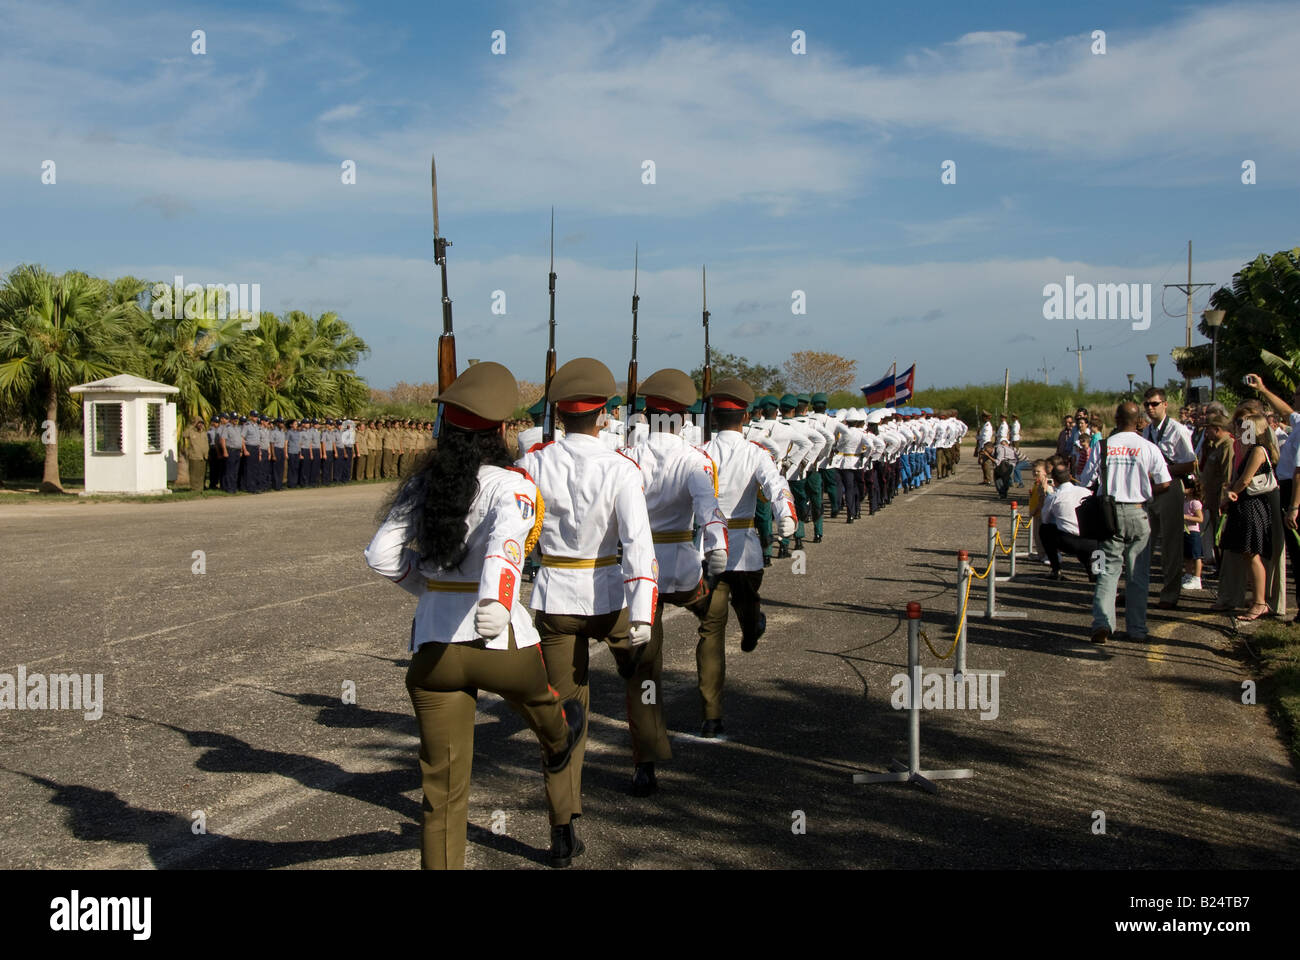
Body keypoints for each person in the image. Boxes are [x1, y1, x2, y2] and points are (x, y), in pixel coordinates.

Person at [365, 361, 583, 870]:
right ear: (502, 432)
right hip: (500, 644)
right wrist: (492, 604)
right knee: (550, 714)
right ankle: (557, 738)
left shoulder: (424, 486)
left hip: (435, 650)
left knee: (441, 790)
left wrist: (431, 589)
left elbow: (380, 555)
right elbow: (506, 548)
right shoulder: (511, 484)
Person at [516, 357, 657, 866]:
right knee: (643, 673)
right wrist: (641, 615)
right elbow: (639, 546)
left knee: (564, 713)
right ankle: (646, 761)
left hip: (554, 597)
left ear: (559, 414)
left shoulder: (533, 462)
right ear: (604, 414)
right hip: (609, 596)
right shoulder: (622, 467)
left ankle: (562, 826)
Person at [622, 368, 728, 796]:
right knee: (715, 614)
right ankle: (711, 711)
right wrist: (717, 549)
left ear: (645, 415)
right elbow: (708, 506)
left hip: (637, 571)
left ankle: (646, 760)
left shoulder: (628, 456)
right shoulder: (694, 459)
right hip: (683, 569)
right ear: (684, 419)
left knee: (646, 666)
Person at [693, 378, 797, 738]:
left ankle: (711, 714)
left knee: (711, 631)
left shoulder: (700, 452)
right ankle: (752, 630)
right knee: (744, 609)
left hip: (708, 550)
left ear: (713, 416)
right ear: (746, 416)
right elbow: (776, 484)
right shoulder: (756, 452)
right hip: (746, 550)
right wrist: (786, 515)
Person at [1082, 401, 1171, 644]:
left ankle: (1102, 623)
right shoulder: (1148, 447)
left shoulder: (1103, 445)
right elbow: (1165, 482)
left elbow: (1086, 480)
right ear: (1139, 421)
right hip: (1138, 511)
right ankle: (1137, 628)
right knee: (1138, 574)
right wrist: (1145, 489)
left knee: (1107, 571)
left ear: (1116, 420)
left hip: (1108, 514)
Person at [1243, 373, 1300, 621]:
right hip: (1288, 487)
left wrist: (1295, 506)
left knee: (1297, 552)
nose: (1293, 398)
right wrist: (1263, 389)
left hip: (1293, 492)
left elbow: (1299, 472)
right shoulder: (1298, 422)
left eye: (1297, 395)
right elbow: (1288, 412)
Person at [1140, 388, 1197, 609]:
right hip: (1151, 488)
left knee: (1171, 544)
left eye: (1154, 404)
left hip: (1171, 484)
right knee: (1144, 540)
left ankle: (1170, 592)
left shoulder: (1177, 429)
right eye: (1147, 405)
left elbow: (1192, 462)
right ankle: (1138, 588)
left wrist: (1166, 470)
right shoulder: (1147, 431)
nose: (1150, 408)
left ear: (1165, 404)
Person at [1219, 411, 1279, 621]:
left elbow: (1244, 480)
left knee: (1252, 554)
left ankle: (1260, 602)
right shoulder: (1248, 449)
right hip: (1245, 505)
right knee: (1247, 553)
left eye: (1246, 428)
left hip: (1253, 505)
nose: (1241, 430)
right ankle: (1256, 598)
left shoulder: (1258, 451)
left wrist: (1229, 494)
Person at [1040, 464, 1098, 581]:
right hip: (1092, 541)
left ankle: (1056, 569)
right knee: (1093, 545)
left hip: (1068, 541)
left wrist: (1043, 494)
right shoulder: (1086, 492)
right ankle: (1097, 573)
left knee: (1044, 529)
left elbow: (1045, 519)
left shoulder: (1054, 497)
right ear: (1070, 476)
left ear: (1054, 481)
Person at [1198, 413, 1234, 574]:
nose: (1207, 433)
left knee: (1220, 535)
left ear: (1217, 429)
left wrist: (1223, 501)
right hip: (1211, 497)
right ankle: (1220, 568)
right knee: (1214, 535)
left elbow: (1227, 476)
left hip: (1219, 499)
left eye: (1209, 429)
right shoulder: (1216, 445)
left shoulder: (1227, 446)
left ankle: (1224, 569)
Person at [1182, 477, 1204, 591]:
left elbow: (1200, 519)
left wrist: (1186, 517)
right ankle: (1188, 575)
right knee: (1187, 556)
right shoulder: (1184, 501)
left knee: (1196, 556)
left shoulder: (1195, 503)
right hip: (1185, 531)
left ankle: (1197, 578)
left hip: (1193, 532)